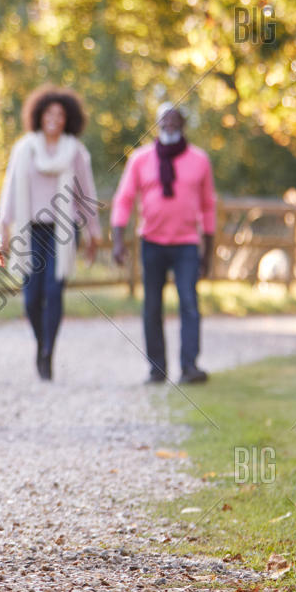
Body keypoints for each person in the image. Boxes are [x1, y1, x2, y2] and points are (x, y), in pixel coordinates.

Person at [110, 100, 216, 384]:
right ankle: (157, 370)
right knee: (152, 307)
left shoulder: (200, 160)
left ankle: (190, 367)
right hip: (152, 242)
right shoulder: (140, 159)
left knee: (189, 304)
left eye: (174, 120)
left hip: (186, 244)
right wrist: (118, 239)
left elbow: (208, 206)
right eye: (164, 120)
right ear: (157, 125)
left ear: (182, 124)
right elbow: (124, 199)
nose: (169, 125)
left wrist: (208, 252)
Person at [0, 85, 97, 381]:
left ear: (68, 119)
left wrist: (93, 233)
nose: (54, 119)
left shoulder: (75, 151)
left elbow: (86, 193)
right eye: (49, 113)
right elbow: (10, 189)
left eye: (60, 115)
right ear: (39, 115)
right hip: (30, 232)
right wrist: (3, 227)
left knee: (53, 292)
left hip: (62, 232)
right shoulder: (24, 148)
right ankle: (42, 344)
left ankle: (48, 353)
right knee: (31, 298)